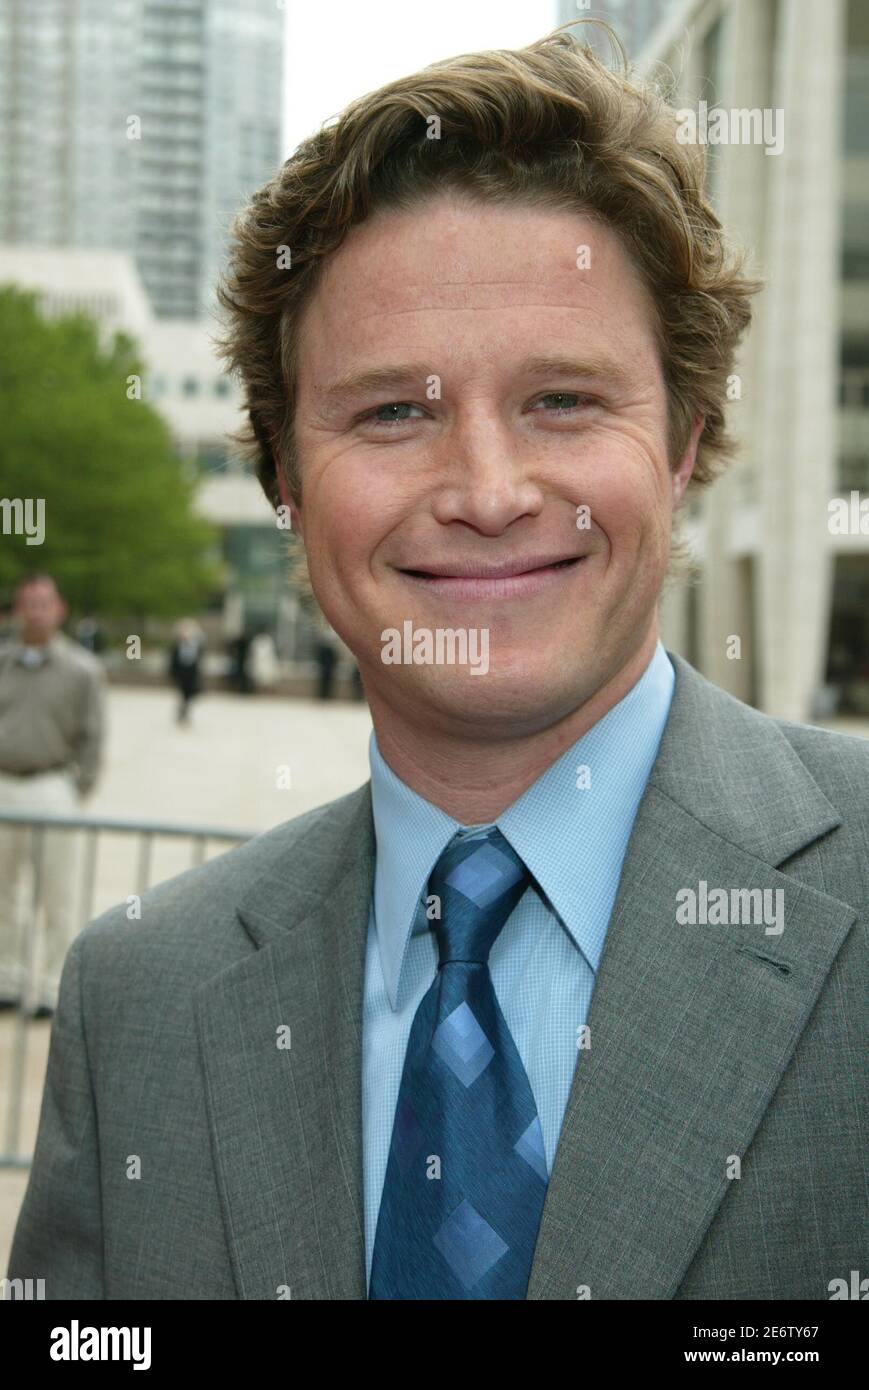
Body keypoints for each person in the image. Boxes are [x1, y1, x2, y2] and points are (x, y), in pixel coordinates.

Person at [9, 29, 867, 1300]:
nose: (486, 489)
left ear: (685, 439)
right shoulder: (135, 998)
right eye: (393, 412)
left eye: (562, 400)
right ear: (287, 480)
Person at [0, 574, 105, 1017]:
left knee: (57, 894)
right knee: (3, 892)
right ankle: (6, 977)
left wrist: (76, 787)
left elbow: (93, 737)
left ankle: (50, 984)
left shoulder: (83, 670)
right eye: (28, 603)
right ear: (16, 611)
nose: (36, 612)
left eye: (44, 603)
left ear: (59, 609)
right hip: (3, 784)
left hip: (51, 786)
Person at [168, 618, 205, 724]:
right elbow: (173, 660)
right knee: (183, 693)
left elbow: (198, 660)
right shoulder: (177, 645)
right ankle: (182, 711)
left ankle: (184, 710)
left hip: (191, 674)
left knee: (189, 694)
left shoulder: (196, 646)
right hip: (181, 673)